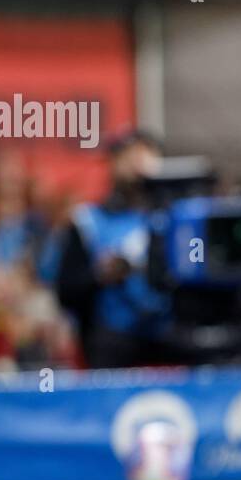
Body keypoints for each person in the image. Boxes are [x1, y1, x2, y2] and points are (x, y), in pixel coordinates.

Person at [55, 131, 173, 368]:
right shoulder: (88, 221)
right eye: (127, 156)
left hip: (169, 339)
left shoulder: (174, 218)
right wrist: (101, 276)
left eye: (145, 154)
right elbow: (65, 290)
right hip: (112, 345)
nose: (136, 163)